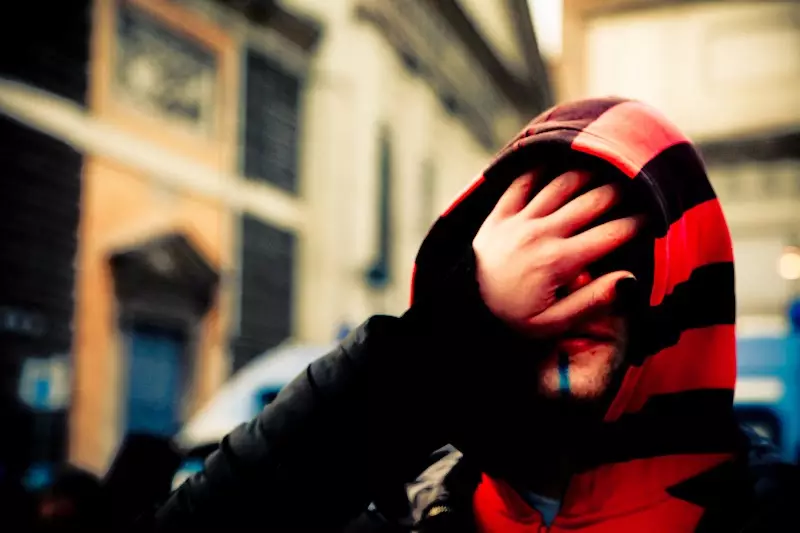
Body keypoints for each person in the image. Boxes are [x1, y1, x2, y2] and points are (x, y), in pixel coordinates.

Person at [141, 98, 799, 532]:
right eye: (540, 253)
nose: (586, 285)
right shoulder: (416, 516)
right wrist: (451, 328)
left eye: (618, 248)